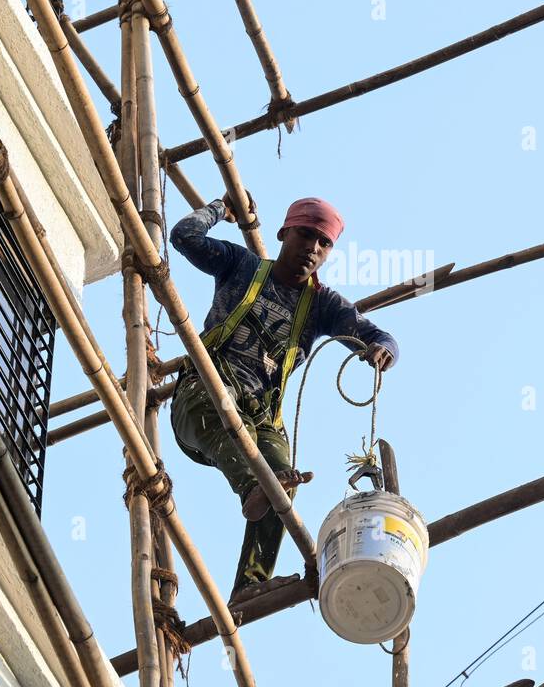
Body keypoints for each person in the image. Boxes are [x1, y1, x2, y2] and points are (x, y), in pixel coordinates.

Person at [168, 194, 399, 601]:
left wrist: (381, 351)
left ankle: (251, 584)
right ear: (283, 234)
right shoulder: (241, 267)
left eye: (323, 243)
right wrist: (222, 210)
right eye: (306, 235)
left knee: (283, 478)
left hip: (259, 418)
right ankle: (251, 488)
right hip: (202, 396)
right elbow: (184, 236)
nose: (313, 248)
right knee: (222, 413)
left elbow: (377, 335)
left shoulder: (322, 305)